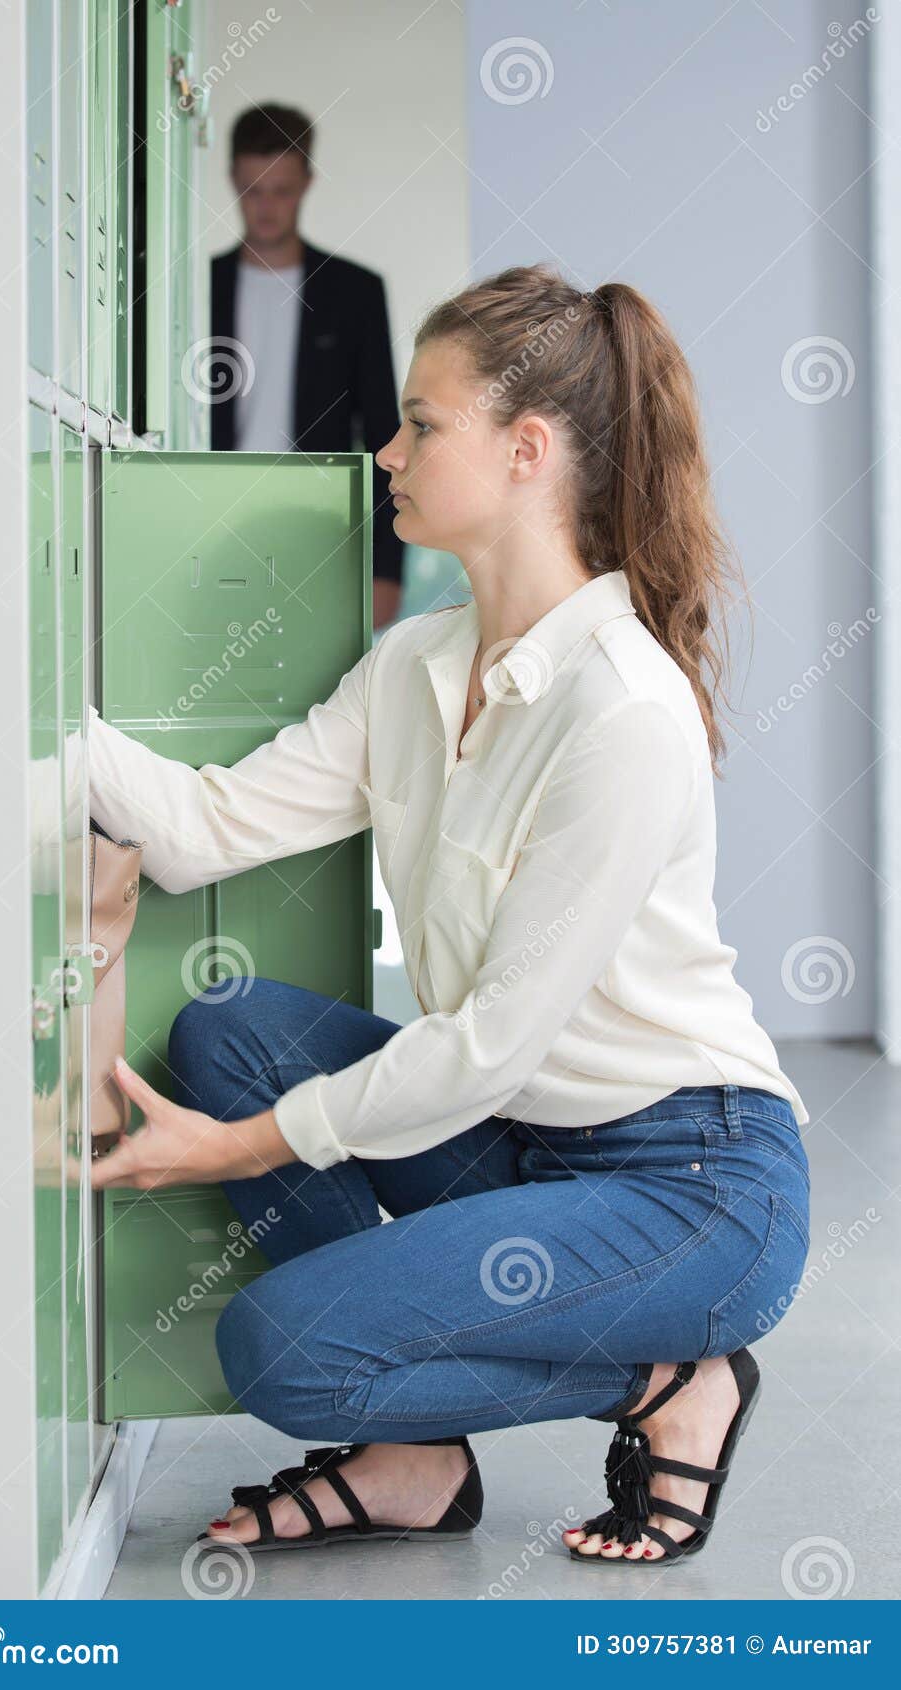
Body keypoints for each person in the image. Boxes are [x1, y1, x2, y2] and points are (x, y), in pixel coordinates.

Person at [86, 263, 812, 1568]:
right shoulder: (417, 665)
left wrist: (232, 1149)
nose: (385, 449)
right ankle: (412, 1455)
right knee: (235, 1026)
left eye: (420, 421)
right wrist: (60, 764)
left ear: (525, 451)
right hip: (526, 1137)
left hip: (691, 1183)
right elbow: (202, 828)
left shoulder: (622, 711)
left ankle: (668, 1375)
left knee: (282, 1346)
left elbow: (483, 1045)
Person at [209, 102, 405, 630]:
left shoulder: (355, 293)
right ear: (232, 180)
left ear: (307, 183)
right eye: (253, 191)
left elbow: (384, 432)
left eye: (282, 190)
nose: (267, 207)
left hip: (319, 535)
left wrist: (386, 568)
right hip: (210, 524)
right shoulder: (197, 289)